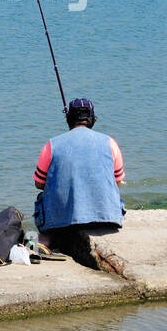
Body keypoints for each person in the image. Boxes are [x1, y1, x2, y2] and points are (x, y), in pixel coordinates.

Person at [33, 98, 125, 265]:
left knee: (42, 199)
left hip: (63, 222)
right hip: (108, 218)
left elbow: (39, 183)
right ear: (92, 118)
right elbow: (117, 181)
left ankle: (44, 241)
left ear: (69, 119)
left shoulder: (52, 145)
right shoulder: (110, 142)